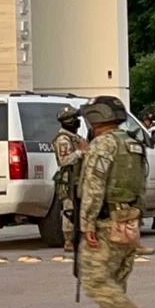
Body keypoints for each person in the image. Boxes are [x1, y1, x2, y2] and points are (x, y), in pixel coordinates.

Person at [70, 98, 155, 308]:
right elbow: (141, 182)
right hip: (128, 218)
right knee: (117, 280)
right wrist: (136, 219)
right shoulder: (133, 142)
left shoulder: (102, 145)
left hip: (105, 221)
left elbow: (94, 186)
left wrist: (86, 222)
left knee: (95, 280)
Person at [51, 105, 87, 252]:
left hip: (79, 177)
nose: (78, 122)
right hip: (69, 178)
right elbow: (64, 160)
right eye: (76, 120)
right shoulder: (63, 139)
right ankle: (68, 240)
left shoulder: (75, 137)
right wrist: (81, 152)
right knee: (69, 209)